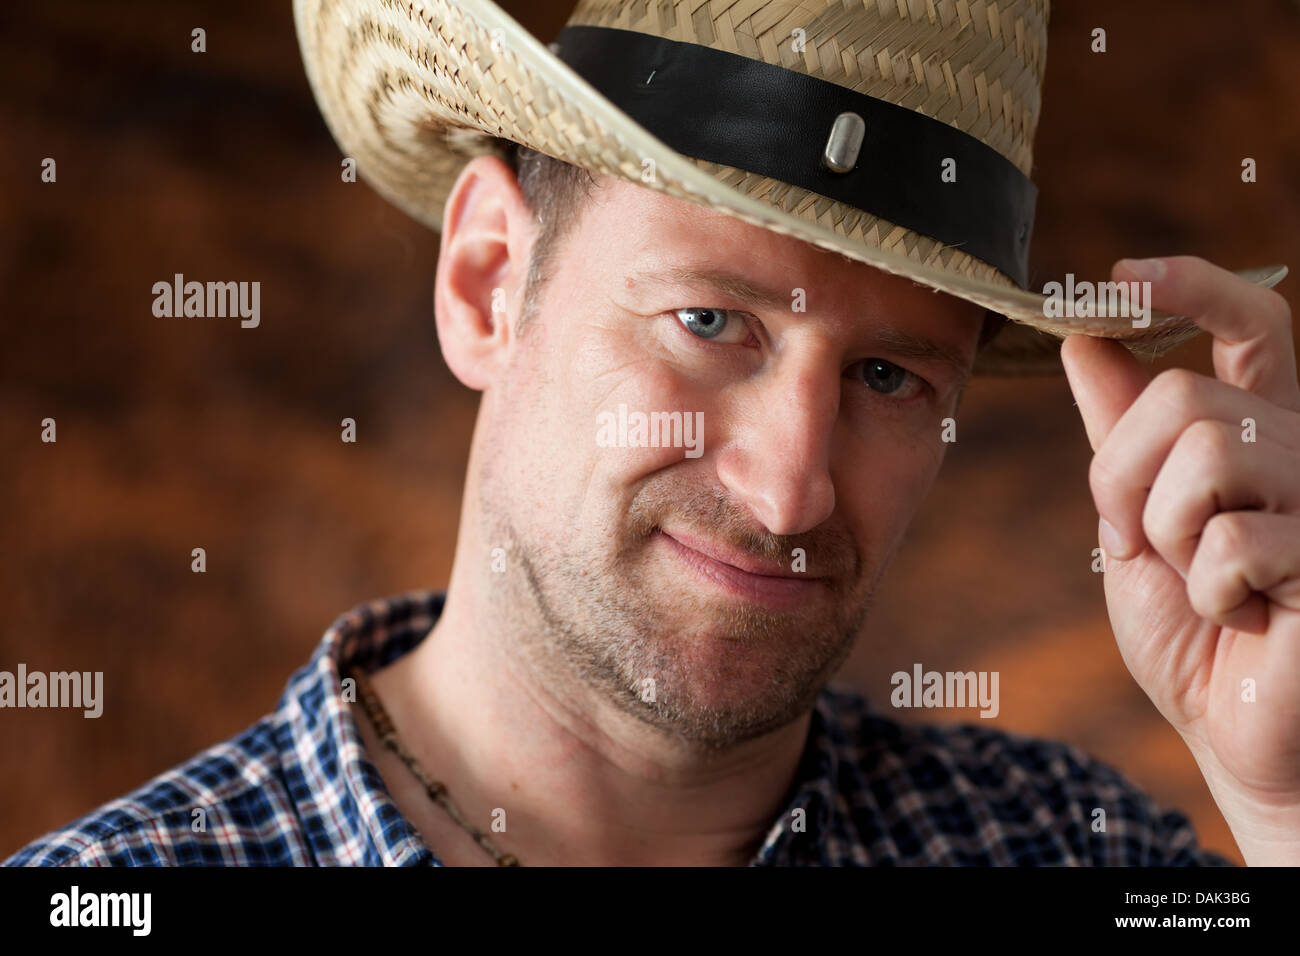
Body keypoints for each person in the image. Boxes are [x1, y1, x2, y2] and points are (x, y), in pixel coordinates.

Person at [8, 0, 1299, 866]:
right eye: (707, 319)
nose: (791, 491)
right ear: (486, 281)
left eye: (892, 378)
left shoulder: (1069, 850)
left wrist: (1283, 803)